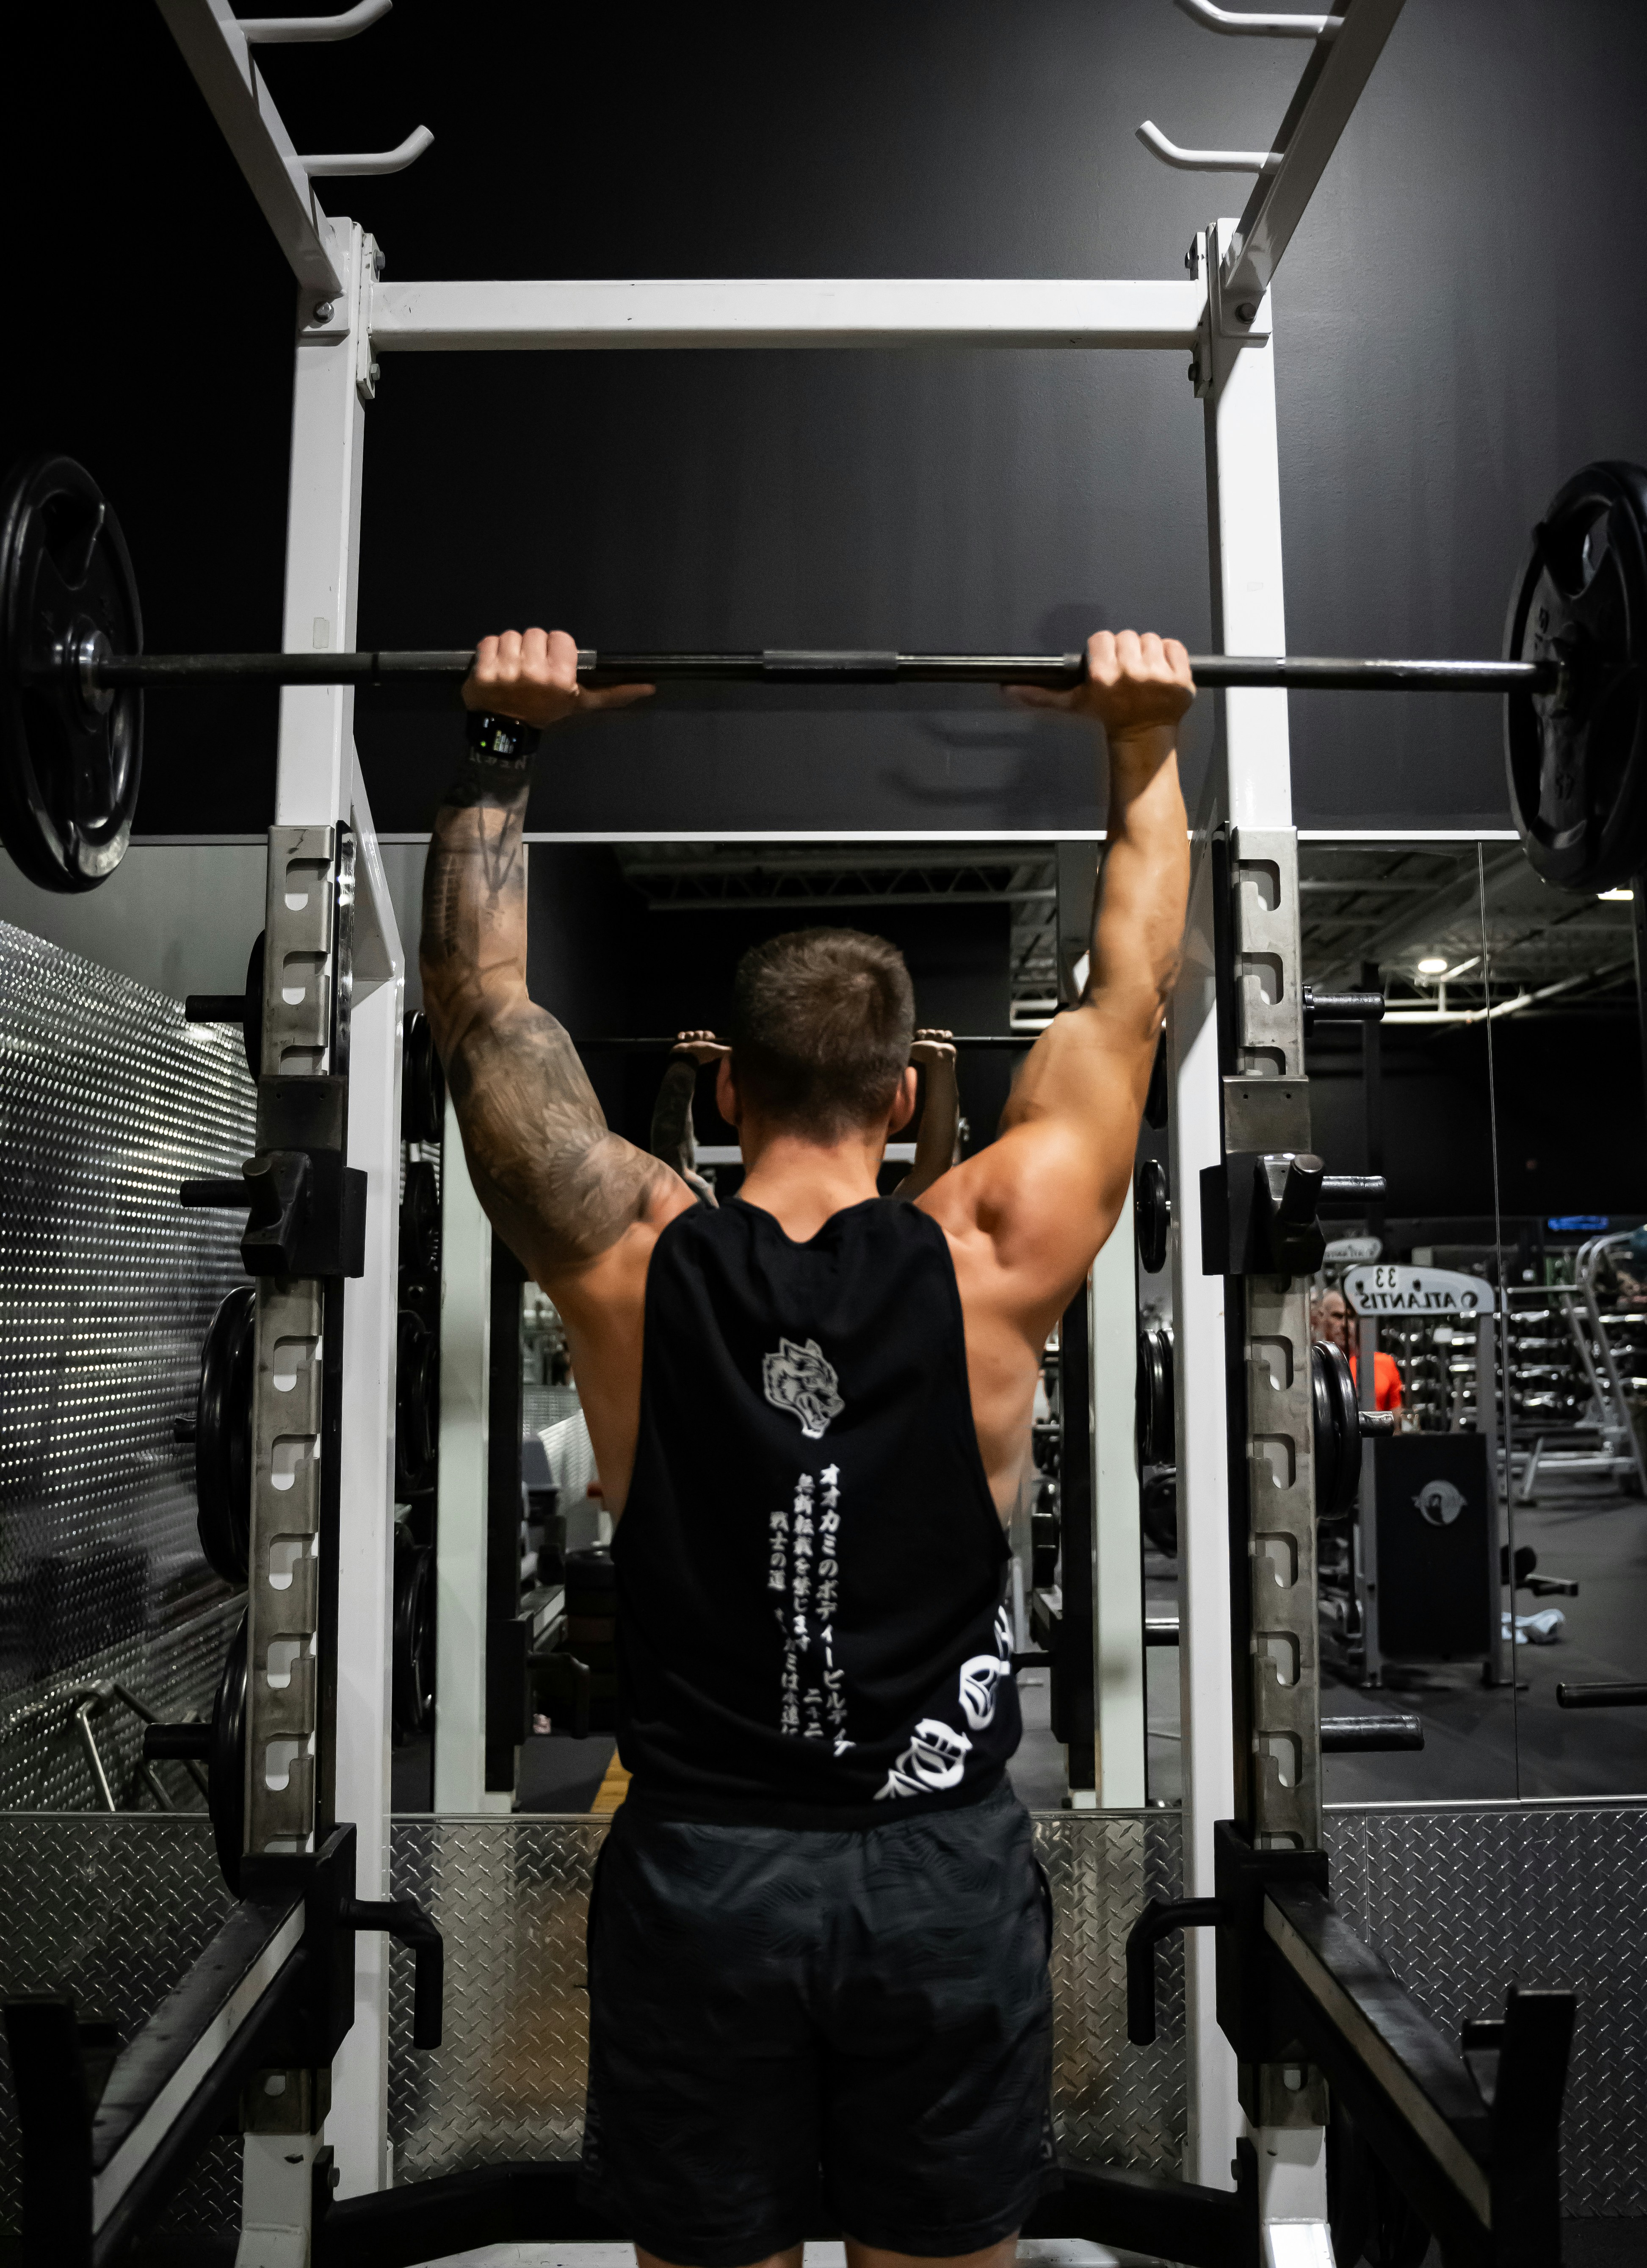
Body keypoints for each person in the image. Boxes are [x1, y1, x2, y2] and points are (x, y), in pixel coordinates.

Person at [419, 623, 1192, 2268]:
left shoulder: (632, 1255)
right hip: (938, 1872)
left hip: (704, 1874)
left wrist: (499, 743)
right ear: (908, 1093)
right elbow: (1130, 1000)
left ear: (724, 1088)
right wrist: (1140, 741)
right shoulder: (995, 1248)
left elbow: (480, 1011)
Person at [651, 1026, 962, 1207]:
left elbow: (674, 1168)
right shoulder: (882, 1233)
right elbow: (932, 1169)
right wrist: (940, 1065)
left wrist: (685, 1064)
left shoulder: (723, 1237)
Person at [1313, 1285, 1403, 1411]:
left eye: (1351, 1317)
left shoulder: (1384, 1363)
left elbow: (1396, 1417)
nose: (1345, 1325)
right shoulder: (1314, 1365)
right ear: (1323, 1317)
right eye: (1338, 1316)